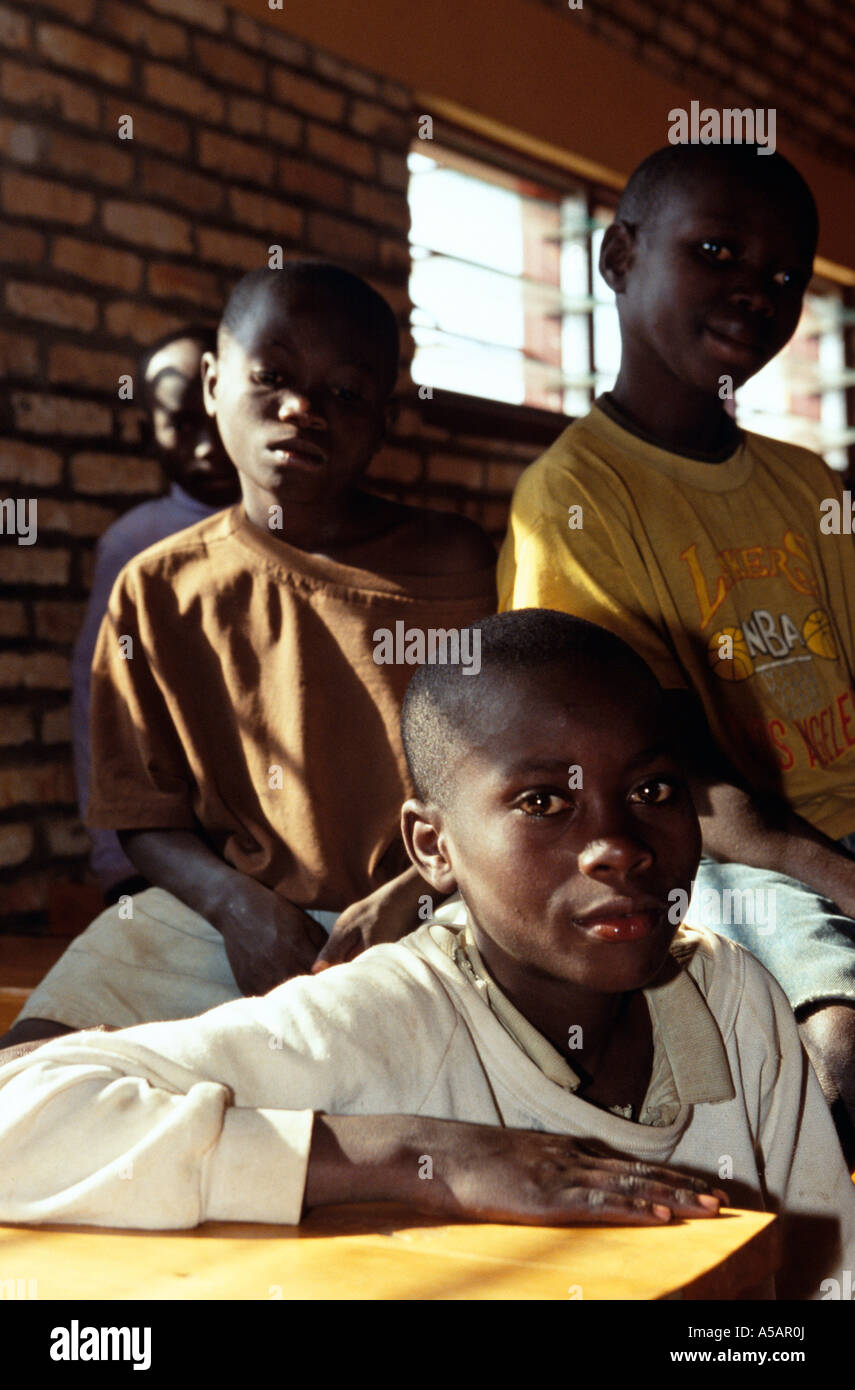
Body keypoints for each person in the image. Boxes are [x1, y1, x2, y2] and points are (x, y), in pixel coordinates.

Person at [0, 610, 851, 1301]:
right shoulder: (384, 1019)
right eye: (544, 801)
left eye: (650, 791)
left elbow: (819, 1281)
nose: (616, 845)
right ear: (432, 848)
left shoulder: (732, 996)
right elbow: (17, 1120)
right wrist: (428, 1156)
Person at [1, 261, 495, 1048]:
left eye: (346, 393)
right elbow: (144, 818)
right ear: (211, 383)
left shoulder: (456, 567)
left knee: (404, 1078)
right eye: (271, 376)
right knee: (32, 1075)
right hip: (221, 915)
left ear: (383, 420)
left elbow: (510, 780)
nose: (302, 409)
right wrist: (238, 907)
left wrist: (413, 893)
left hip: (436, 908)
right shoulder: (158, 587)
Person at [498, 143, 855, 1160]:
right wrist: (832, 873)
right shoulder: (574, 500)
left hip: (831, 842)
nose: (756, 291)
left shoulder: (809, 484)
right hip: (728, 854)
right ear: (617, 258)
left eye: (785, 277)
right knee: (841, 1045)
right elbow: (652, 772)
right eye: (716, 251)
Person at [71, 326, 241, 902]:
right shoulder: (136, 543)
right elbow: (99, 703)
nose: (206, 446)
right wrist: (120, 862)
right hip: (170, 860)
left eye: (214, 420)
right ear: (148, 432)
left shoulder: (293, 531)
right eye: (180, 425)